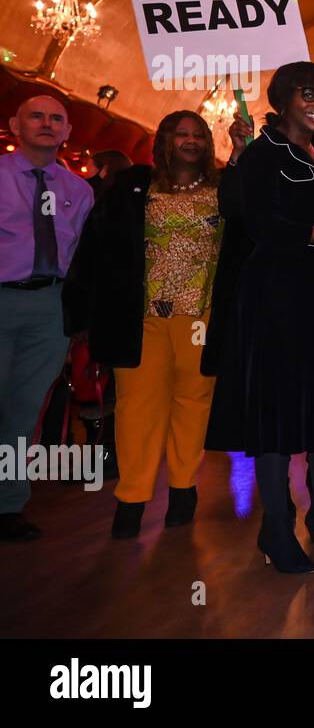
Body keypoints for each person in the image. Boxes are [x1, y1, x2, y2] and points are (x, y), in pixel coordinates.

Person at [206, 62, 314, 573]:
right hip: (277, 295)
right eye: (310, 94)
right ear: (281, 100)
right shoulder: (264, 154)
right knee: (278, 413)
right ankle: (276, 529)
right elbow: (266, 225)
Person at [64, 111, 223, 539]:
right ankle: (131, 498)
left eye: (198, 135)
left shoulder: (223, 189)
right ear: (164, 141)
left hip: (201, 317)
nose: (190, 141)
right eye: (181, 134)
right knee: (136, 407)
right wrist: (81, 313)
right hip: (142, 317)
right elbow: (96, 247)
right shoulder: (134, 185)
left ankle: (183, 489)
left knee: (193, 404)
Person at [0, 95, 93, 541]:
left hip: (49, 307)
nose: (46, 123)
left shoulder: (80, 191)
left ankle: (8, 505)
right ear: (15, 124)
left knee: (24, 411)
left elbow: (82, 258)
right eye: (36, 115)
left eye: (57, 118)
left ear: (68, 132)